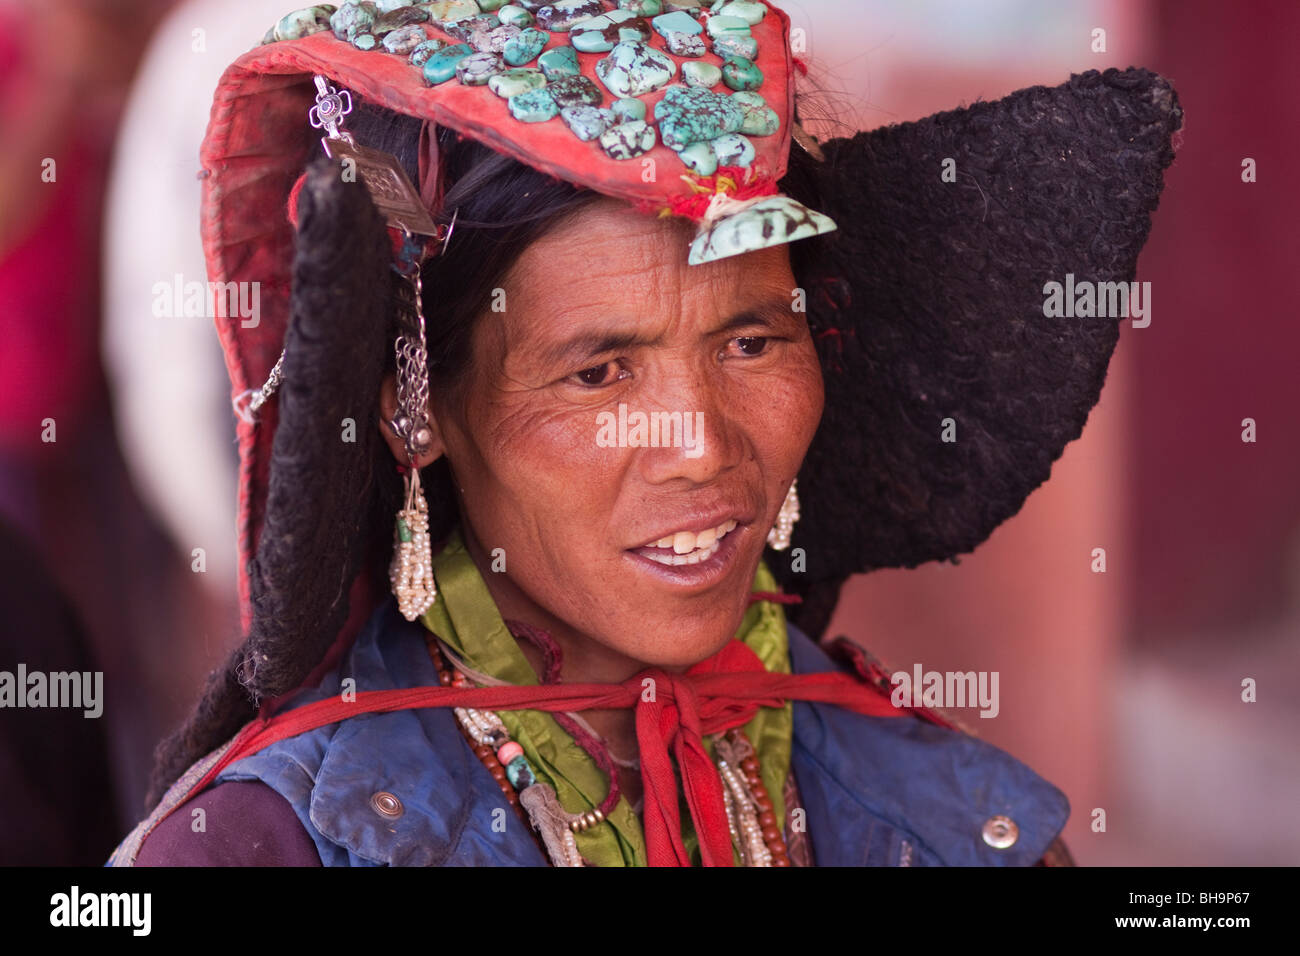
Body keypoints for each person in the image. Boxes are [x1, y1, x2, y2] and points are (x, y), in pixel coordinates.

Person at [110, 0, 1181, 867]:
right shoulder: (259, 847)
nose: (702, 446)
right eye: (599, 371)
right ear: (416, 401)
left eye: (752, 340)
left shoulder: (957, 821)